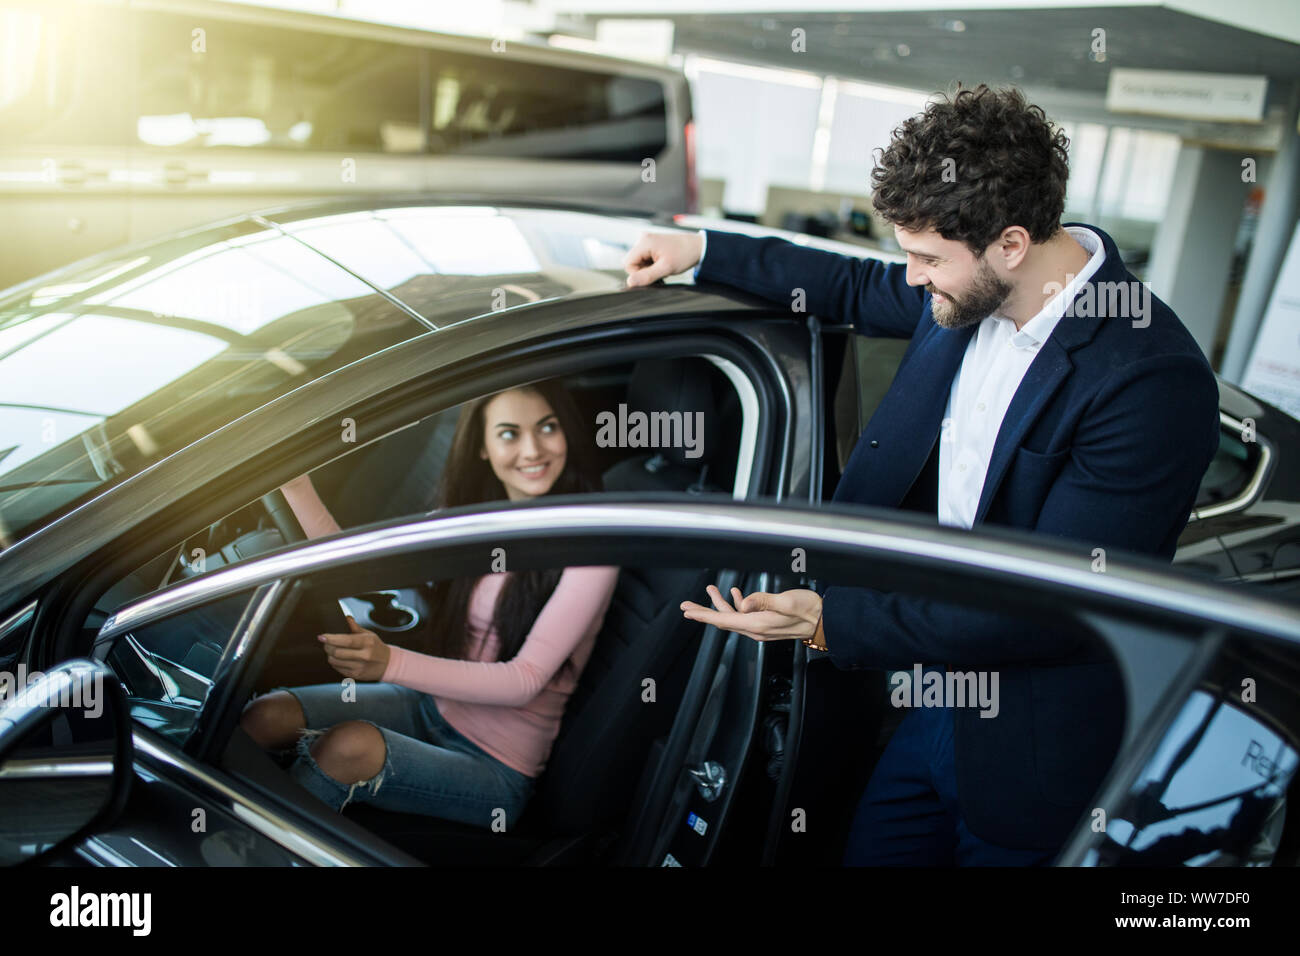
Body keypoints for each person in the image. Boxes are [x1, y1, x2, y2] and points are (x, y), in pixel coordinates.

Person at [625, 84, 1220, 865]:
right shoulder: (971, 287)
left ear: (1011, 244)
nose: (910, 278)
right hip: (929, 704)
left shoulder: (1149, 380)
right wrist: (703, 249)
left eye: (926, 259)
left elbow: (1052, 609)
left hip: (1030, 752)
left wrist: (828, 621)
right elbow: (852, 285)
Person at [239, 382, 620, 829]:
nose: (532, 449)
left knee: (349, 746)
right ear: (481, 446)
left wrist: (389, 662)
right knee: (264, 715)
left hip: (495, 766)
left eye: (547, 428)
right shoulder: (466, 518)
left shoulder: (592, 546)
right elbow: (362, 565)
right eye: (509, 433)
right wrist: (296, 487)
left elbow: (524, 680)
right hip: (428, 706)